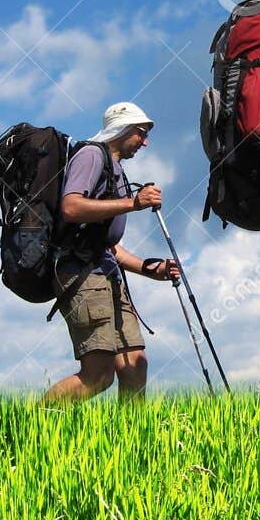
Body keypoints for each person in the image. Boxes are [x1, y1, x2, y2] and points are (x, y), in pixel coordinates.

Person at [44, 101, 181, 403]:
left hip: (107, 273)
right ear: (123, 128)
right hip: (83, 275)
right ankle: (27, 423)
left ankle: (132, 432)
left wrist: (150, 269)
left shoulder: (115, 168)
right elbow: (71, 207)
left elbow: (106, 246)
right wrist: (134, 203)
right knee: (99, 375)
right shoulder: (91, 155)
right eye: (141, 133)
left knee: (135, 363)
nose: (144, 142)